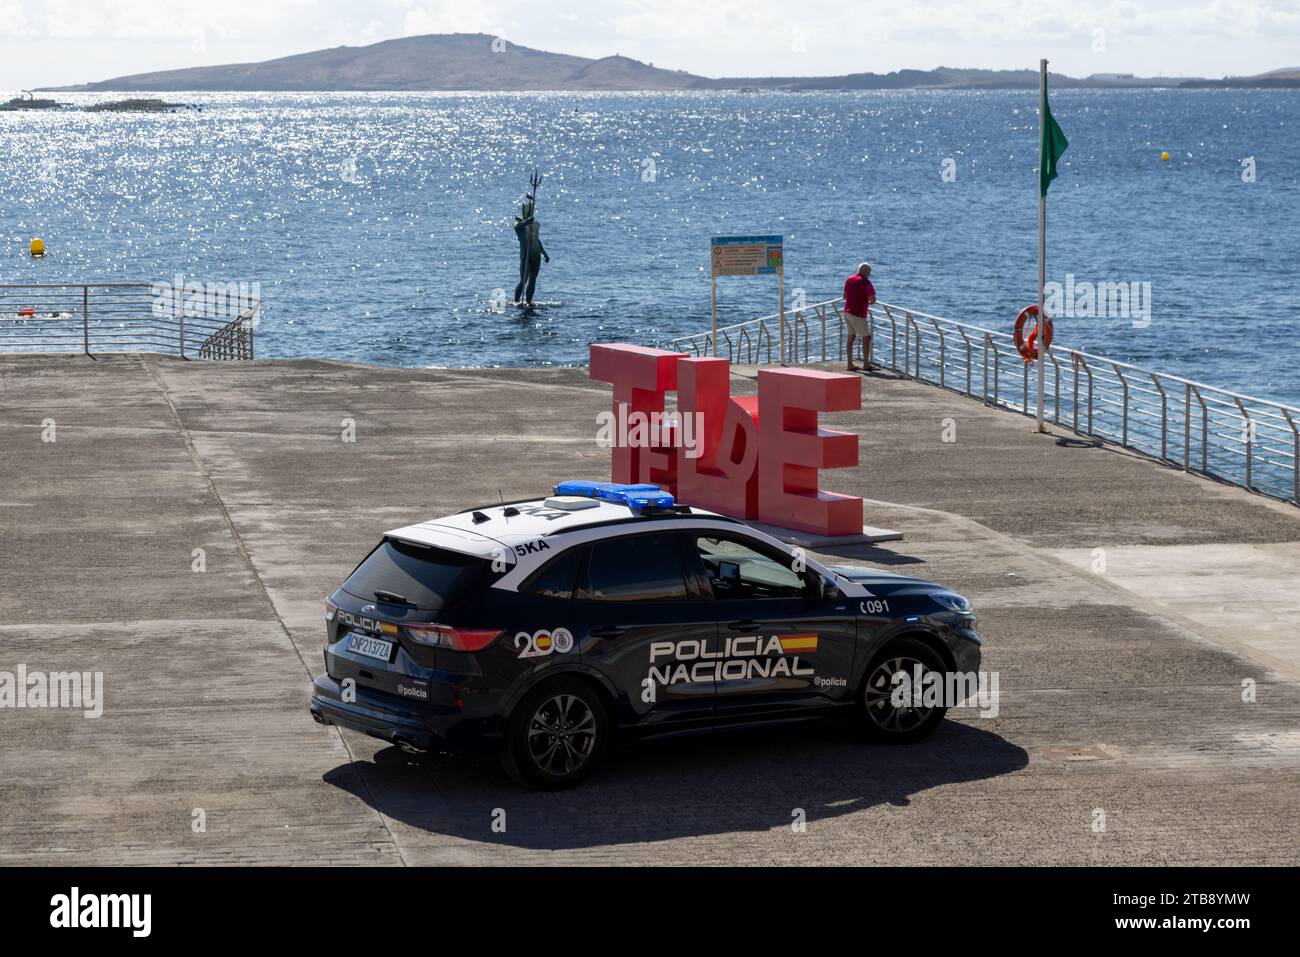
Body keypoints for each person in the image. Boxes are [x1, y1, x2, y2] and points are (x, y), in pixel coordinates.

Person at [843, 262, 876, 371]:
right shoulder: (866, 282)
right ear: (865, 271)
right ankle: (866, 364)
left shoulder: (849, 279)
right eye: (869, 273)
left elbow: (844, 296)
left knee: (851, 337)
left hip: (847, 312)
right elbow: (873, 300)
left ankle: (849, 364)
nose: (869, 275)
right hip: (858, 314)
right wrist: (866, 301)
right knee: (866, 337)